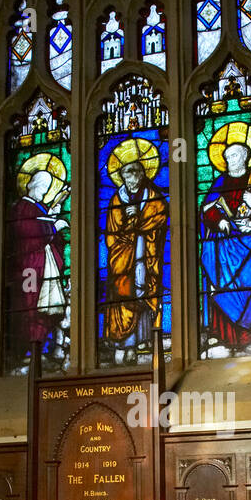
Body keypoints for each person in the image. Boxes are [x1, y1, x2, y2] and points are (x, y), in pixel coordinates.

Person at [199, 121, 251, 353]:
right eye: (227, 156)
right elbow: (206, 209)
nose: (230, 160)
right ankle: (223, 334)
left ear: (246, 156)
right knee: (222, 286)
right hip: (225, 244)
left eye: (234, 155)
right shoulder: (220, 183)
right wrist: (219, 220)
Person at [102, 137, 169, 361]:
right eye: (127, 174)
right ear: (122, 176)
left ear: (142, 174)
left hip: (146, 254)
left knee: (144, 293)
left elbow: (159, 216)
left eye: (136, 173)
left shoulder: (153, 196)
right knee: (124, 294)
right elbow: (111, 234)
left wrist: (138, 218)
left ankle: (145, 340)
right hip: (123, 259)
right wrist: (129, 225)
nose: (132, 178)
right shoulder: (116, 200)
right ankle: (126, 342)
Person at [7, 153, 68, 362]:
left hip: (42, 265)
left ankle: (40, 347)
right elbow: (29, 233)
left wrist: (52, 214)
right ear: (32, 185)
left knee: (43, 306)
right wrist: (54, 226)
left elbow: (42, 226)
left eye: (47, 188)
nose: (44, 192)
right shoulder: (22, 207)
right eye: (42, 187)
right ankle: (30, 349)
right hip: (29, 267)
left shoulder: (36, 206)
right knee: (30, 303)